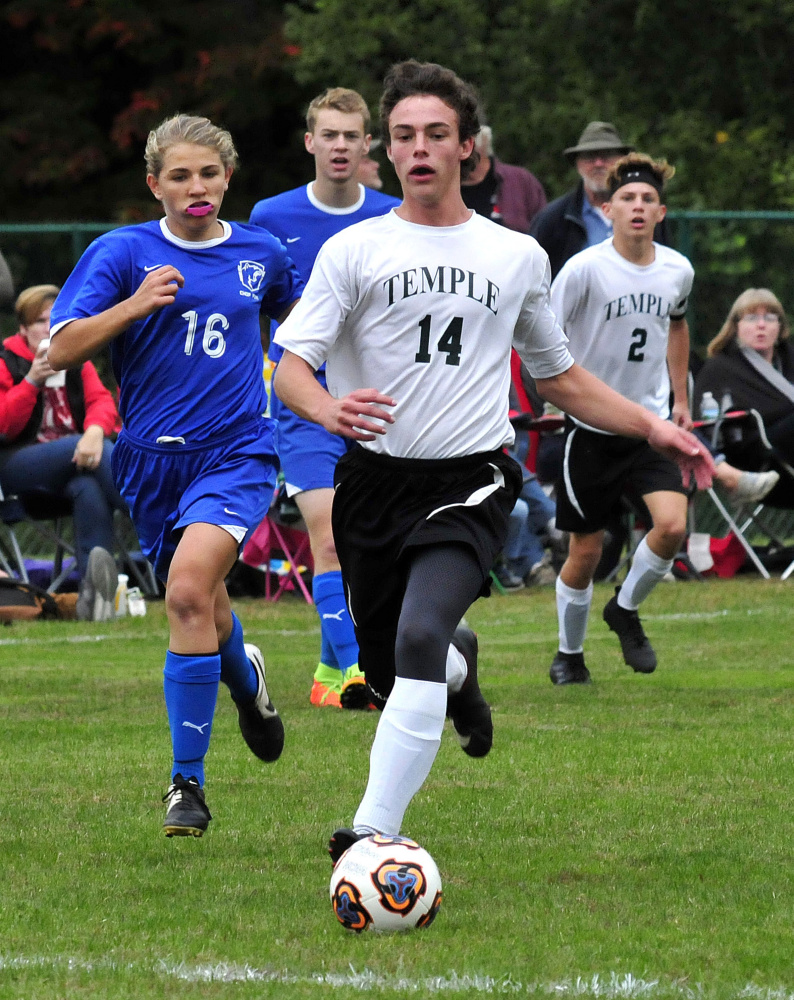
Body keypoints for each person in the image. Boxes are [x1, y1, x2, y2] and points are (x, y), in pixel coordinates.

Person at [271, 61, 713, 858]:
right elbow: (292, 364)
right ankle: (460, 674)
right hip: (371, 482)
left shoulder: (515, 254)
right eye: (403, 135)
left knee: (414, 639)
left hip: (471, 478)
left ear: (467, 148)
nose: (419, 149)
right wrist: (329, 407)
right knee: (389, 665)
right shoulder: (352, 249)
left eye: (436, 134)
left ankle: (373, 832)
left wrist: (657, 427)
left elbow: (561, 377)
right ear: (386, 149)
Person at [48, 114, 302, 837]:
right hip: (151, 460)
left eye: (210, 174)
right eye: (181, 175)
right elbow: (62, 348)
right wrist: (132, 306)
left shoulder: (260, 253)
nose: (198, 188)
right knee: (204, 606)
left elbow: (306, 323)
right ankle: (244, 676)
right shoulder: (122, 252)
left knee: (188, 591)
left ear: (229, 179)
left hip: (237, 451)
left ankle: (185, 785)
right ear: (154, 183)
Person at [249, 88, 399, 710]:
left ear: (368, 145)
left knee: (375, 543)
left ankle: (327, 670)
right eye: (328, 135)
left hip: (377, 403)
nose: (340, 146)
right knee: (329, 536)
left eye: (351, 136)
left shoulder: (394, 215)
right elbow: (255, 307)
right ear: (309, 142)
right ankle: (365, 672)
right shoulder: (271, 217)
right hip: (304, 402)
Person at [547, 152, 708, 687]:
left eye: (647, 200)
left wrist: (680, 399)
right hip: (591, 431)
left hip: (650, 428)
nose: (637, 207)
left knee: (672, 526)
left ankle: (625, 610)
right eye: (627, 199)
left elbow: (678, 327)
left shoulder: (677, 269)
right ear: (608, 208)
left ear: (660, 213)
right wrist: (554, 394)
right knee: (587, 550)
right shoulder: (585, 269)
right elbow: (545, 334)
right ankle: (570, 655)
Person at [0, 284, 124, 620]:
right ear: (23, 329)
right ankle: (145, 509)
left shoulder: (73, 357)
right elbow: (3, 426)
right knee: (80, 445)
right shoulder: (5, 359)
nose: (49, 327)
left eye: (56, 320)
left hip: (75, 467)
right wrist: (31, 382)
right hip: (16, 469)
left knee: (89, 489)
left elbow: (101, 401)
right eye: (41, 321)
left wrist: (96, 431)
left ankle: (93, 599)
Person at [694, 288, 794, 507]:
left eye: (769, 317)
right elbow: (704, 423)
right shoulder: (720, 367)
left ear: (780, 326)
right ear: (735, 327)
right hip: (759, 462)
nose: (761, 325)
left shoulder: (789, 359)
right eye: (751, 318)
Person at [530, 121, 667, 280]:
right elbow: (534, 278)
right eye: (589, 156)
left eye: (607, 155)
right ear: (577, 163)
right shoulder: (553, 219)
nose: (599, 163)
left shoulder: (646, 214)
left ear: (622, 161)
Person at [460, 124, 546, 232]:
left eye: (467, 146)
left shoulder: (519, 180)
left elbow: (544, 228)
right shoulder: (444, 187)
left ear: (482, 146)